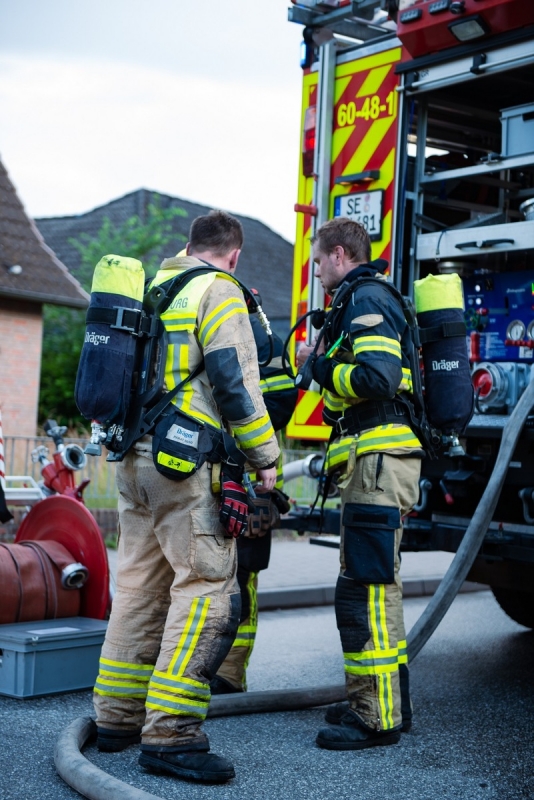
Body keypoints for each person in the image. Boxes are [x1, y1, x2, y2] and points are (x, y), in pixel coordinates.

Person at [93, 210, 280, 784]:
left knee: (138, 587)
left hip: (132, 461)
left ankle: (116, 718)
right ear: (234, 255)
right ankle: (172, 735)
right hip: (184, 467)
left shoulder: (152, 287)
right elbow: (236, 384)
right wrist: (265, 457)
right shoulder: (218, 290)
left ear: (188, 244)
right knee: (204, 590)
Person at [296, 217, 423, 751]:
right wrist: (324, 371)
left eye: (318, 260)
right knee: (377, 588)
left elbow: (378, 379)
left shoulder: (366, 298)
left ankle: (375, 717)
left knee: (365, 590)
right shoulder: (356, 300)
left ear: (340, 254)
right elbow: (349, 399)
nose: (315, 270)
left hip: (378, 464)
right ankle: (387, 703)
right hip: (373, 462)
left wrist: (319, 366)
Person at [210, 309, 297, 695]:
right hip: (208, 465)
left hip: (247, 471)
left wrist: (251, 447)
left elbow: (280, 400)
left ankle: (230, 673)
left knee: (242, 577)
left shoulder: (263, 341)